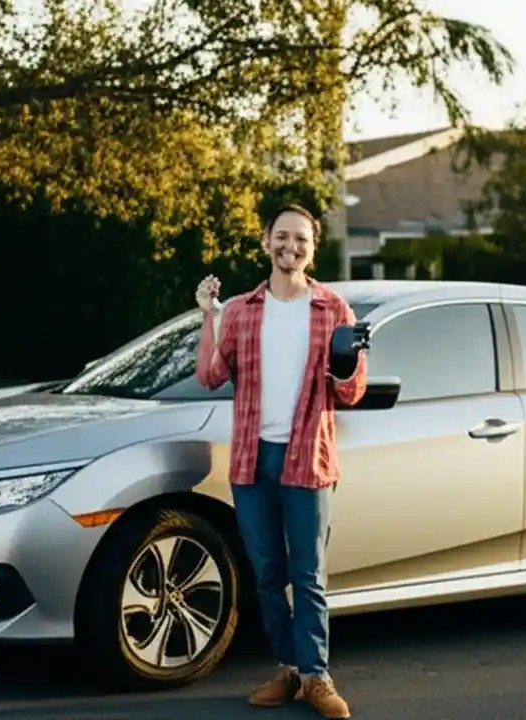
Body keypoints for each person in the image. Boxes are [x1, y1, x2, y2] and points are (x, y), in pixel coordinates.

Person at [193, 204, 367, 719]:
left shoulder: (334, 309)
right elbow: (209, 375)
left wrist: (347, 358)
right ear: (266, 241)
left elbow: (352, 392)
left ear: (312, 249)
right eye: (282, 237)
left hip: (307, 458)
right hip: (252, 459)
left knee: (308, 573)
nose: (291, 247)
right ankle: (288, 669)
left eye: (302, 241)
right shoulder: (243, 311)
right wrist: (209, 313)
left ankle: (317, 677)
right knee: (268, 574)